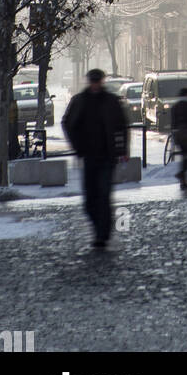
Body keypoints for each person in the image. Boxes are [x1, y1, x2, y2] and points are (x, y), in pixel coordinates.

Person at [61, 69, 129, 250]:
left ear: (102, 81)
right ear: (89, 82)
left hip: (107, 156)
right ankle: (99, 226)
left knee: (104, 195)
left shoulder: (111, 101)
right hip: (89, 156)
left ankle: (102, 234)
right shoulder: (80, 101)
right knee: (90, 200)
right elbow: (67, 123)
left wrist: (122, 150)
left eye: (98, 81)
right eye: (93, 81)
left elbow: (122, 126)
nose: (96, 84)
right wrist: (77, 146)